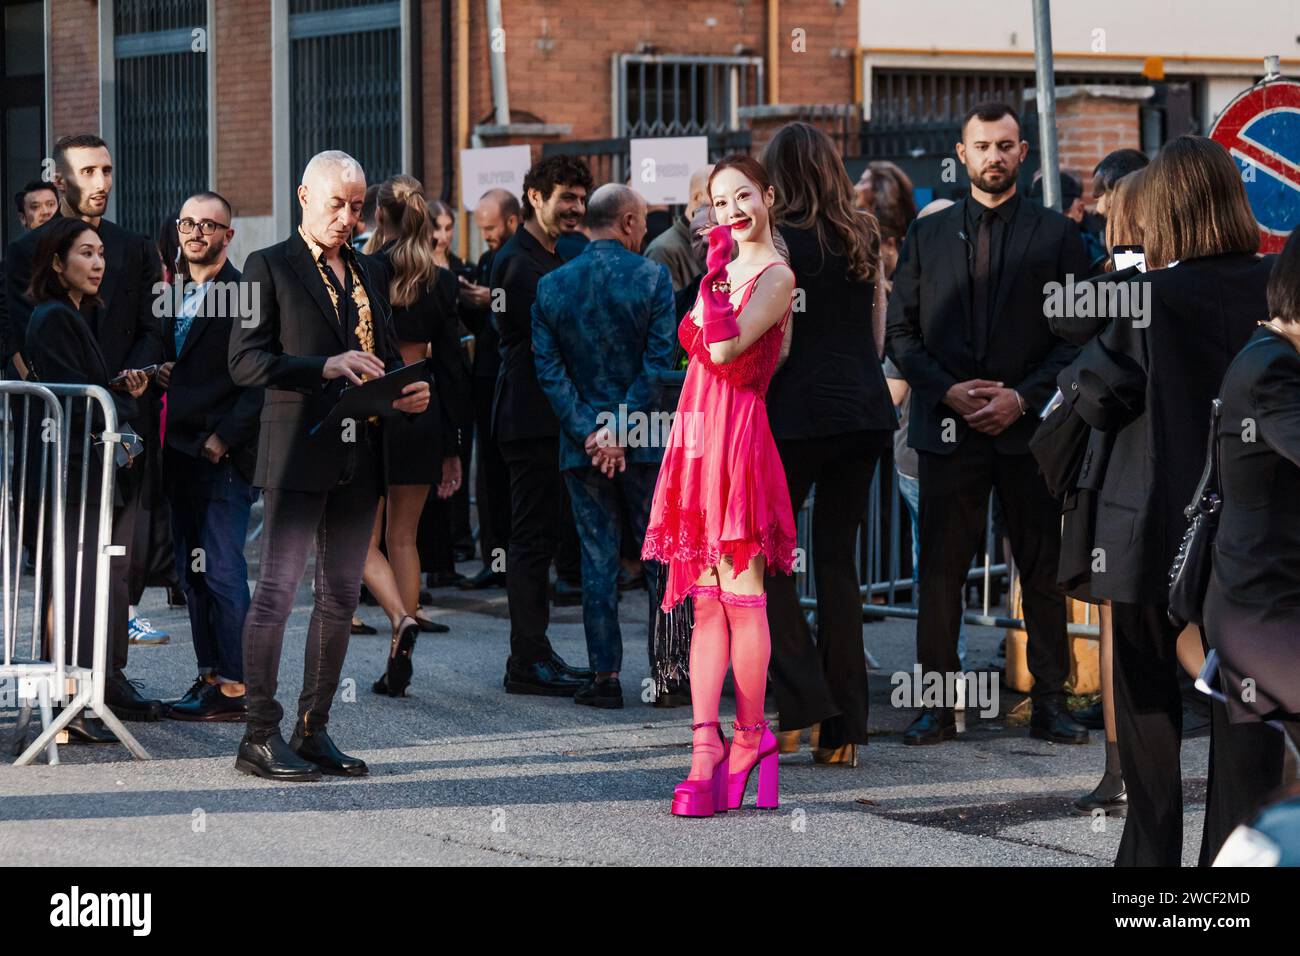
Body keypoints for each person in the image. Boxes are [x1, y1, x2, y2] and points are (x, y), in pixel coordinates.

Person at [1060, 135, 1276, 866]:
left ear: (1161, 213)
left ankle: (1148, 867)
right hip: (1256, 528)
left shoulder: (1143, 297)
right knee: (1244, 710)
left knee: (1147, 709)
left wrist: (1120, 265)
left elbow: (1092, 391)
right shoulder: (1277, 286)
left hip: (1150, 525)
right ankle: (1236, 862)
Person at [885, 102, 1091, 747]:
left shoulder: (1057, 235)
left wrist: (1022, 399)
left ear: (1023, 153)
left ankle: (1052, 702)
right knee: (941, 576)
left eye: (1005, 146)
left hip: (1027, 434)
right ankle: (937, 706)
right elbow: (900, 332)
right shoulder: (928, 233)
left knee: (1043, 571)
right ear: (963, 152)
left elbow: (1078, 335)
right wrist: (948, 390)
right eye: (983, 147)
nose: (994, 157)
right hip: (946, 432)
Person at [228, 150, 430, 781]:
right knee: (276, 597)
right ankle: (258, 735)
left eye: (358, 204)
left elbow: (378, 355)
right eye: (336, 203)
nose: (349, 216)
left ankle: (313, 730)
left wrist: (404, 394)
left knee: (340, 596)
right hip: (296, 451)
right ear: (303, 196)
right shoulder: (267, 265)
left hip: (361, 450)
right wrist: (323, 366)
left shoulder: (370, 269)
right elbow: (245, 361)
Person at [643, 154, 798, 817]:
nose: (730, 210)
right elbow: (695, 352)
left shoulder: (777, 274)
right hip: (698, 438)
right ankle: (703, 747)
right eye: (717, 200)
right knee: (704, 603)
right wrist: (712, 281)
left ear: (767, 196)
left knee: (742, 599)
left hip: (738, 443)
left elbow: (729, 351)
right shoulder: (725, 269)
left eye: (742, 196)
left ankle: (751, 739)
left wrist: (709, 286)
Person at [3, 133, 165, 722]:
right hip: (62, 433)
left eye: (108, 170)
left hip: (124, 423)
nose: (102, 182)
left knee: (124, 559)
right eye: (89, 171)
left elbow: (154, 324)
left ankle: (107, 674)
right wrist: (68, 385)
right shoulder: (27, 253)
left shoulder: (135, 246)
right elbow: (18, 336)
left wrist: (128, 377)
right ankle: (62, 684)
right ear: (61, 180)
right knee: (64, 558)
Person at [760, 123, 898, 768]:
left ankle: (803, 703)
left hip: (795, 415)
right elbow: (875, 338)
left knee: (768, 560)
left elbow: (779, 341)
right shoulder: (864, 231)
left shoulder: (775, 237)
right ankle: (843, 728)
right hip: (864, 411)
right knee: (839, 567)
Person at [533, 183, 678, 709]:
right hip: (642, 440)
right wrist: (620, 427)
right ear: (629, 222)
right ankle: (668, 674)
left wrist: (592, 432)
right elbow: (659, 365)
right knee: (659, 557)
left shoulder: (551, 286)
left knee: (597, 561)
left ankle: (604, 677)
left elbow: (549, 373)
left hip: (584, 445)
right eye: (640, 221)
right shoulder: (653, 277)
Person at [1045, 168, 1147, 819]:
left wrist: (1123, 267)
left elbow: (1063, 313)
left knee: (1119, 623)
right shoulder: (1203, 288)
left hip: (1122, 478)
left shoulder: (1128, 291)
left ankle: (1121, 768)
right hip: (1192, 474)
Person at [23, 217, 149, 743]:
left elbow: (86, 389)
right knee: (69, 585)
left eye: (101, 254)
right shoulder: (53, 317)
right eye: (85, 254)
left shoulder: (73, 315)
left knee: (80, 586)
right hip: (68, 477)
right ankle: (63, 703)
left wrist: (116, 390)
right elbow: (76, 401)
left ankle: (72, 702)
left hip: (81, 473)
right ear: (57, 263)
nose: (98, 263)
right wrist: (119, 400)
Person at [491, 154, 595, 696]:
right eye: (566, 197)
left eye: (581, 198)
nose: (576, 208)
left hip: (545, 419)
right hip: (529, 418)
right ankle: (526, 661)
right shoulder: (518, 264)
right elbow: (539, 347)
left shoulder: (551, 255)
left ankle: (534, 652)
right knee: (531, 540)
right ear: (535, 197)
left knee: (543, 538)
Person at [158, 192, 264, 721]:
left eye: (209, 224)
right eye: (188, 223)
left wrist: (225, 437)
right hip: (177, 450)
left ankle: (238, 687)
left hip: (222, 454)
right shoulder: (173, 293)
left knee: (222, 570)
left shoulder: (244, 294)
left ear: (228, 234)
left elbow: (261, 379)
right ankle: (209, 678)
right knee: (191, 572)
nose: (196, 232)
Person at [365, 175, 471, 695]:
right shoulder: (442, 282)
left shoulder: (366, 271)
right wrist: (453, 445)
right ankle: (396, 653)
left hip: (374, 407)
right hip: (425, 408)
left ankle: (397, 619)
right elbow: (453, 368)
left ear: (379, 217)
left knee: (361, 542)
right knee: (404, 538)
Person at [1205, 228, 1300, 800]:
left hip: (1268, 601)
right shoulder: (1273, 369)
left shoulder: (1278, 357)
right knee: (1256, 791)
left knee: (1259, 793)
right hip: (1264, 609)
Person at [458, 188, 518, 590]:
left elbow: (521, 308)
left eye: (491, 228)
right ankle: (493, 563)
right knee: (488, 478)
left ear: (512, 221)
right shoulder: (485, 260)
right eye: (481, 229)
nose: (487, 236)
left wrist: (491, 298)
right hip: (484, 378)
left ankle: (513, 564)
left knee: (510, 475)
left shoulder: (520, 259)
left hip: (511, 381)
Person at [644, 164, 715, 292]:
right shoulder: (662, 250)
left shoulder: (729, 242)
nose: (728, 205)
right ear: (698, 198)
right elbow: (673, 308)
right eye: (719, 196)